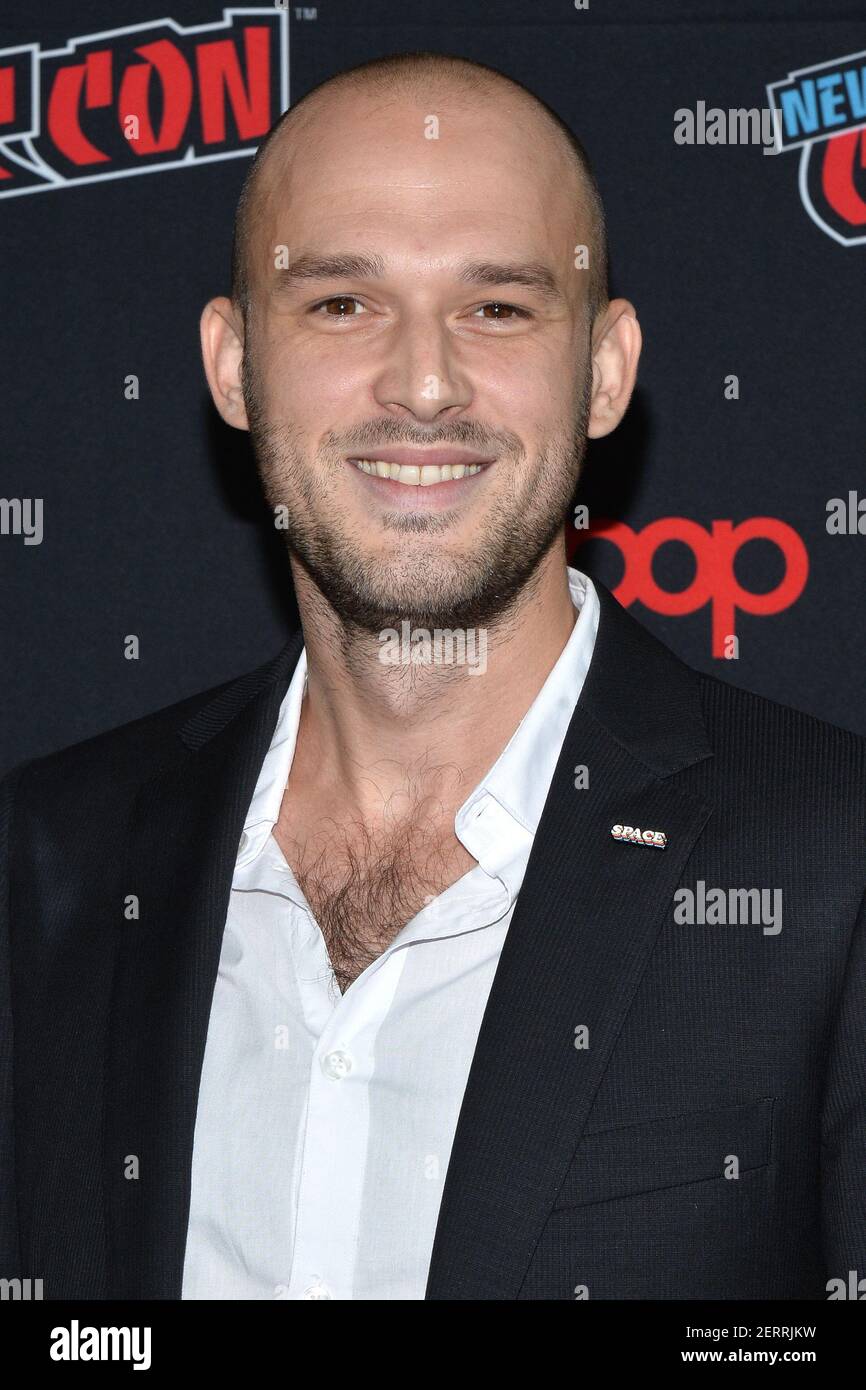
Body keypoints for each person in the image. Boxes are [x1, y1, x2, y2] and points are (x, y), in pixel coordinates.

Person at [1, 51, 864, 1302]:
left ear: (606, 370)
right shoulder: (50, 860)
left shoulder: (829, 868)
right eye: (342, 303)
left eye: (497, 307)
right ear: (234, 364)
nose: (422, 385)